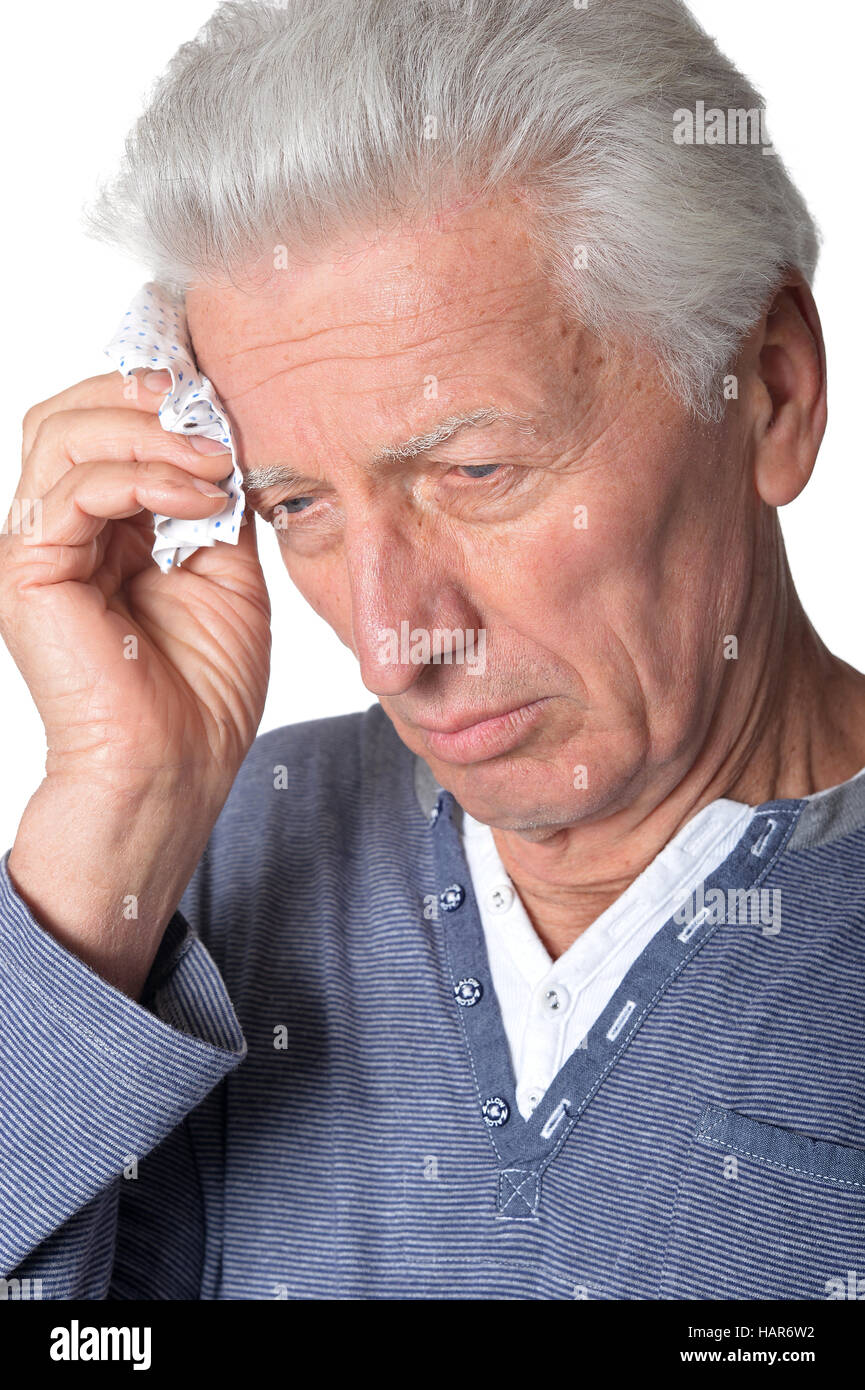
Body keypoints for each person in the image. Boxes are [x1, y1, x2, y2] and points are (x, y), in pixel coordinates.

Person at [2, 0, 864, 1301]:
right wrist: (115, 822)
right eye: (297, 504)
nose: (392, 638)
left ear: (772, 390)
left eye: (473, 468)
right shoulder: (206, 867)